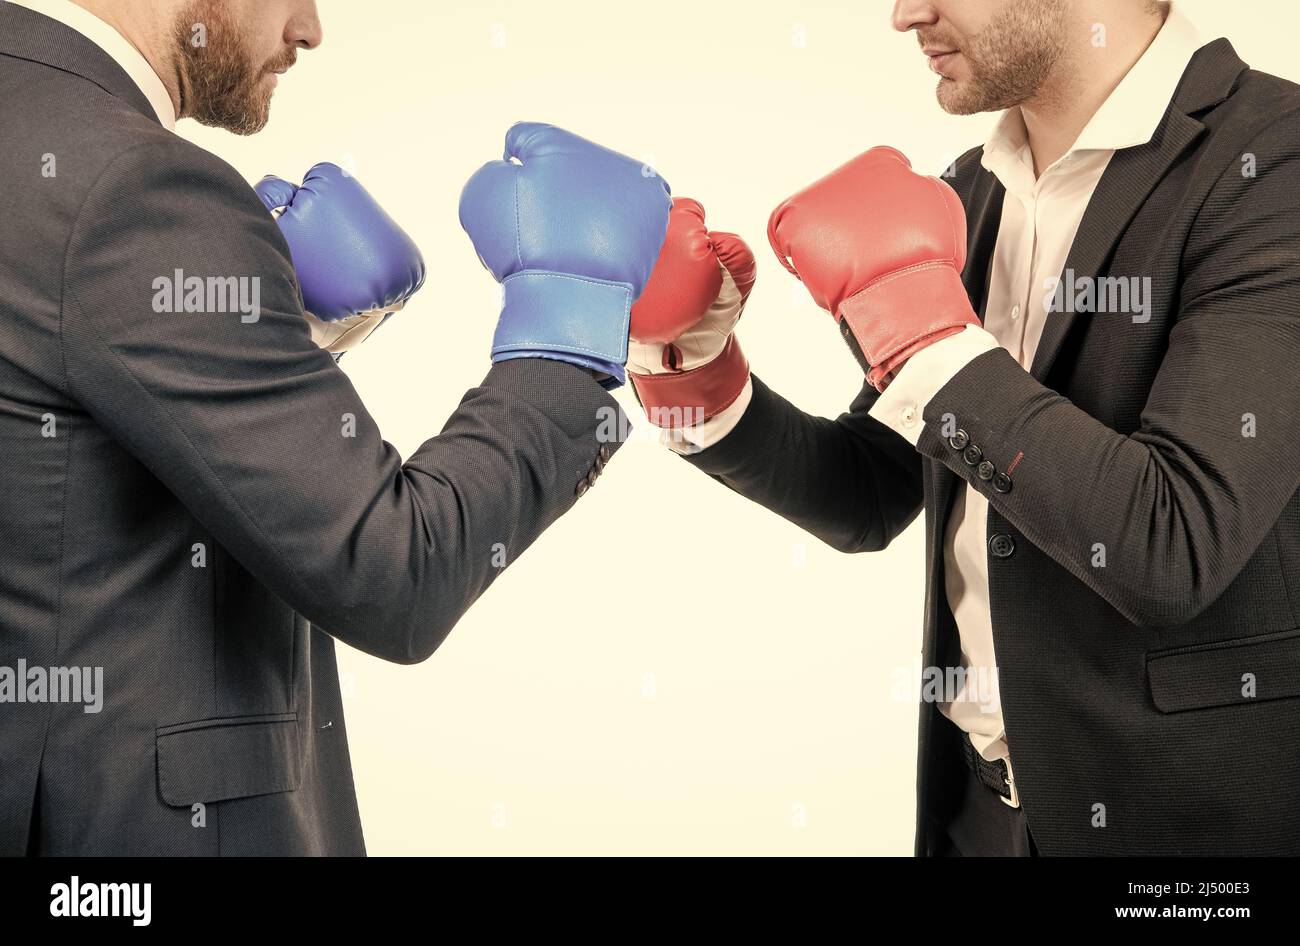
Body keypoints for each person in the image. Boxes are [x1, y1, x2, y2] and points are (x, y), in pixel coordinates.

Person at [629, 0, 1300, 855]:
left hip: (1185, 834)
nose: (906, 13)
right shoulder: (970, 189)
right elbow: (873, 491)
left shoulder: (1273, 161)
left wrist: (925, 340)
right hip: (976, 815)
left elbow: (1173, 544)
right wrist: (696, 370)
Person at [0, 0, 669, 854]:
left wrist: (265, 340)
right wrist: (569, 321)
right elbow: (395, 573)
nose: (311, 27)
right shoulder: (136, 186)